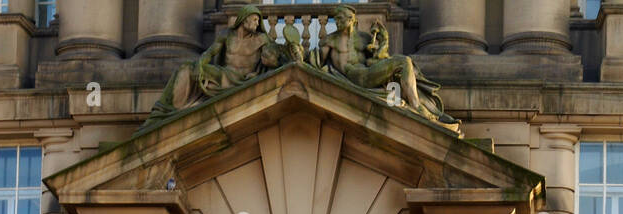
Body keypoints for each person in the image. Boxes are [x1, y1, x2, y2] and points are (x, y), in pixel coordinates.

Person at [317, 5, 459, 132]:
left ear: (351, 19)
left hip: (367, 74)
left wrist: (383, 39)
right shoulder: (330, 40)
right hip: (354, 76)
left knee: (404, 61)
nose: (337, 22)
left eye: (340, 18)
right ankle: (416, 105)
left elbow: (378, 60)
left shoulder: (364, 38)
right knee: (402, 62)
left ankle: (416, 103)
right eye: (336, 19)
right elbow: (318, 62)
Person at [148, 6, 283, 123]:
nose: (257, 23)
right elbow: (210, 53)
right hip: (224, 75)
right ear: (244, 19)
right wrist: (200, 65)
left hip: (243, 79)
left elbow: (277, 56)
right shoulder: (226, 35)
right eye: (254, 19)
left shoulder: (262, 39)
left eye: (258, 21)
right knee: (187, 68)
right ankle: (166, 110)